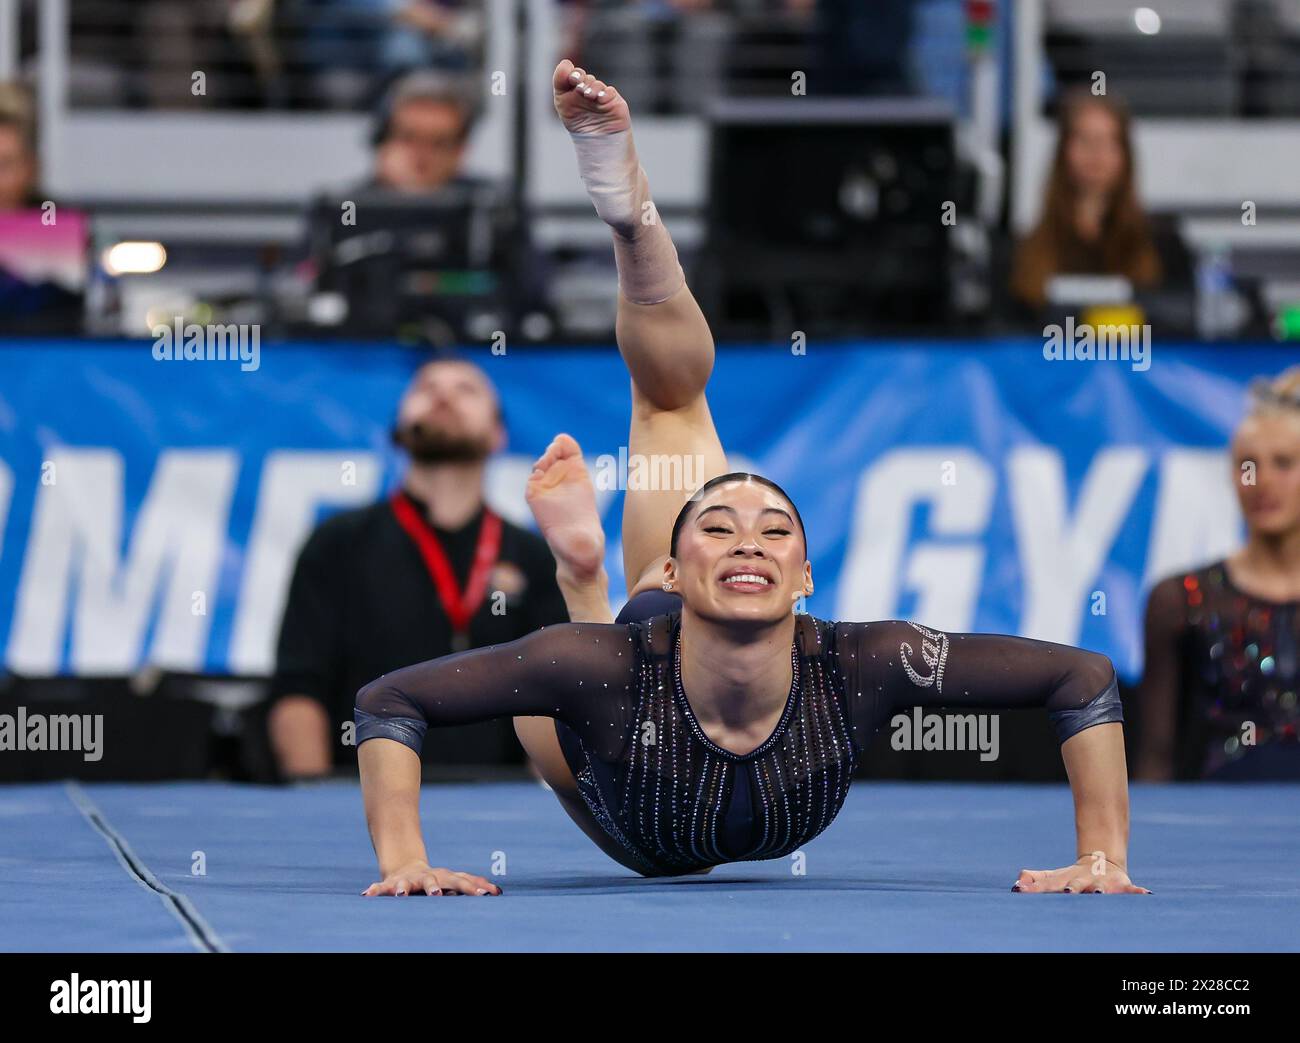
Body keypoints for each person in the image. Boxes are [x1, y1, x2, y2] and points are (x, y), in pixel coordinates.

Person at [352, 59, 1147, 897]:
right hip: (615, 774)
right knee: (665, 410)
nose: (749, 540)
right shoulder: (600, 668)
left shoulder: (864, 662)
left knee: (661, 429)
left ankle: (585, 570)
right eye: (720, 527)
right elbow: (389, 700)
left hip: (641, 701)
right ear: (671, 564)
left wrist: (1102, 856)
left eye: (775, 530)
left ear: (805, 574)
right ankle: (631, 226)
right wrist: (407, 860)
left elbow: (1081, 675)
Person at [268, 355, 569, 778]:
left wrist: (538, 815)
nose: (443, 396)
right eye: (426, 388)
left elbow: (556, 701)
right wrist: (313, 799)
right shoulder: (338, 543)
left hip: (498, 803)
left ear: (498, 435)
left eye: (466, 389)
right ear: (396, 430)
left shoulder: (533, 556)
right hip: (360, 800)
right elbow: (299, 688)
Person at [1137, 367, 1300, 781]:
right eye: (1248, 465)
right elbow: (1155, 758)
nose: (1262, 482)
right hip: (1221, 831)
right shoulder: (1180, 599)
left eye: (1283, 464)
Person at [1009, 91, 1167, 312]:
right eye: (1084, 139)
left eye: (1107, 141)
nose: (1096, 153)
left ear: (1125, 154)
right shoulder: (1026, 249)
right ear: (1063, 151)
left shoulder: (1161, 245)